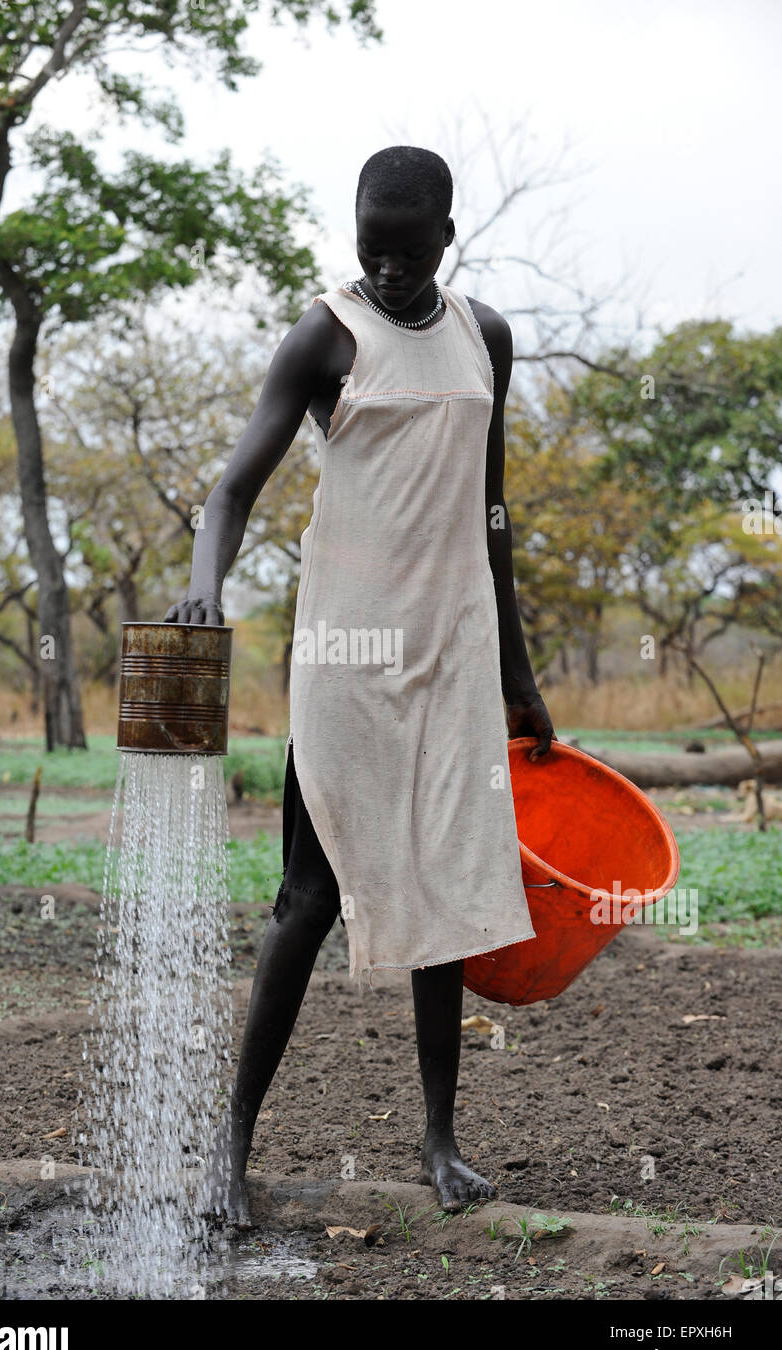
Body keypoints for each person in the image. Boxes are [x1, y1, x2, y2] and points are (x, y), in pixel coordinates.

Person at [166, 145, 555, 1227]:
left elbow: (491, 507)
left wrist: (517, 675)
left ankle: (438, 1143)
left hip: (453, 655)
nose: (385, 268)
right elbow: (233, 483)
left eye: (405, 247)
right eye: (368, 247)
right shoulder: (327, 336)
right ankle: (226, 1154)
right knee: (308, 901)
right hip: (345, 659)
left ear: (446, 235)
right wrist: (206, 586)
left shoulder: (486, 338)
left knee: (446, 900)